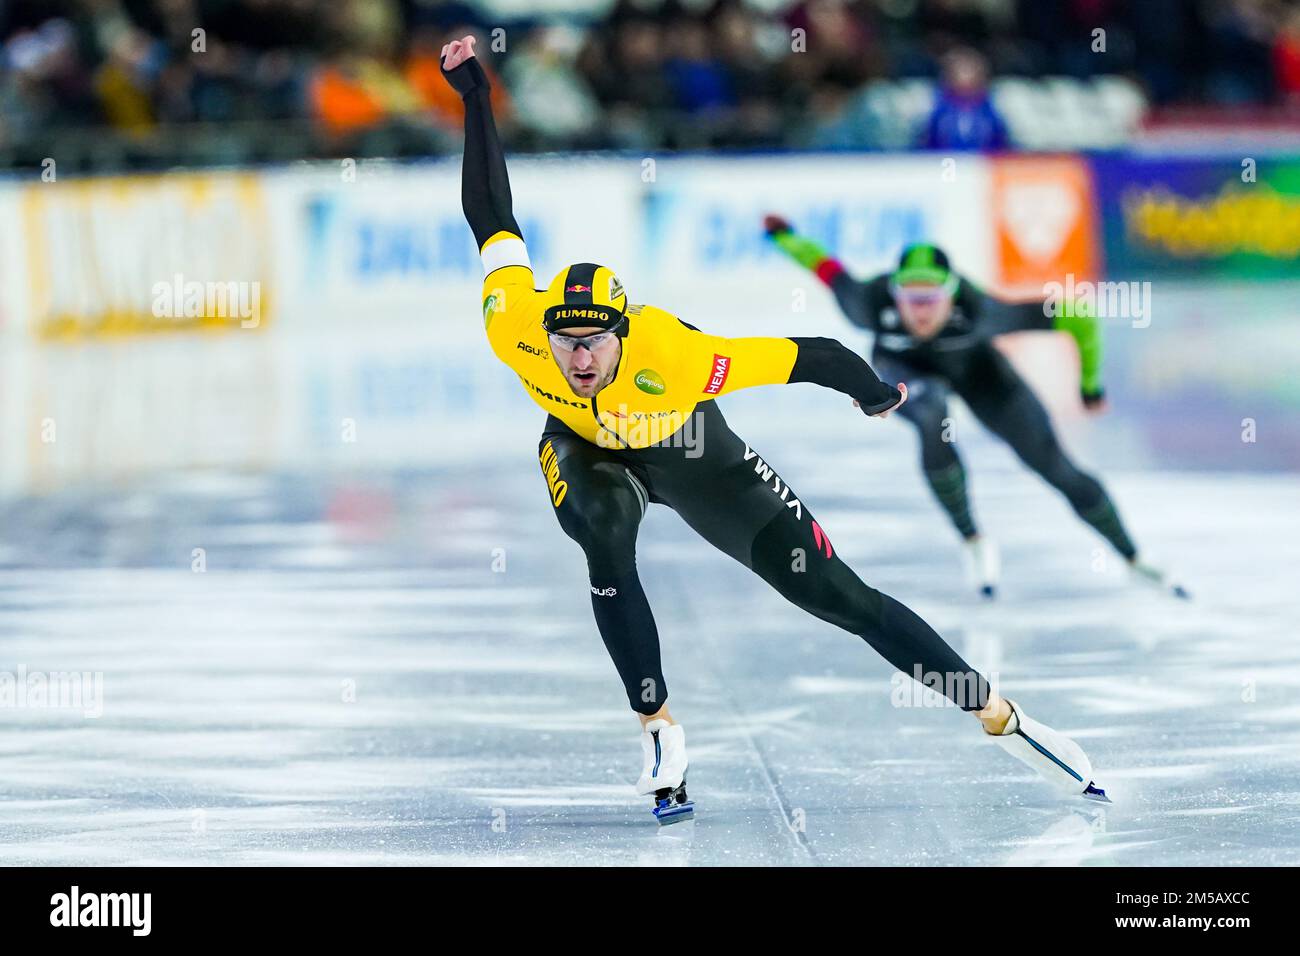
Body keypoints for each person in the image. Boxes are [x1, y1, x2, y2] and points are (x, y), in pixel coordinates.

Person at [439, 35, 1107, 823]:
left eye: (594, 342)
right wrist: (479, 98)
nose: (578, 358)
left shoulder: (681, 356)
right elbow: (491, 214)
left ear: (624, 330)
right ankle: (657, 725)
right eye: (566, 343)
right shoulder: (513, 322)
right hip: (586, 450)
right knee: (603, 530)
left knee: (842, 597)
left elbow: (813, 354)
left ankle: (1000, 714)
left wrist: (875, 393)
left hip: (694, 452)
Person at [764, 217, 1187, 600]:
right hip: (905, 373)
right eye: (910, 298)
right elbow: (823, 266)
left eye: (931, 298)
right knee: (931, 416)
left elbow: (1078, 316)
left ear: (951, 295)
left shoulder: (983, 311)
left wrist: (1090, 386)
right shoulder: (868, 302)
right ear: (894, 294)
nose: (921, 311)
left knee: (1053, 465)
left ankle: (1134, 556)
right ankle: (973, 539)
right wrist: (783, 235)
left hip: (981, 375)